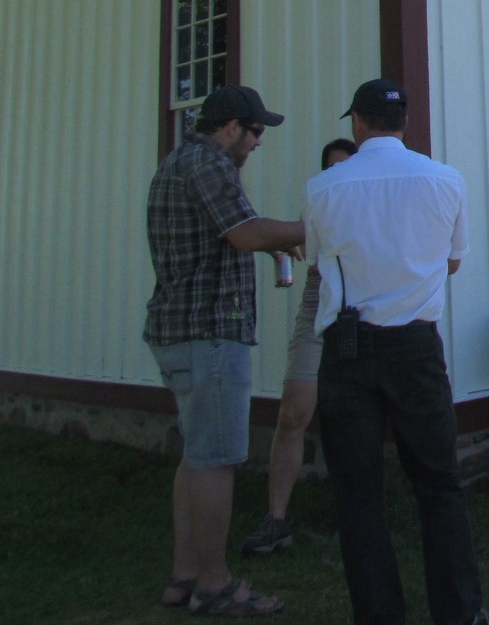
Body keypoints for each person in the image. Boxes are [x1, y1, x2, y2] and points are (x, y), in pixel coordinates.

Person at [303, 78, 489, 625]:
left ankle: (379, 615)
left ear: (357, 124)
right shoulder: (445, 180)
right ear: (404, 122)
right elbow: (454, 261)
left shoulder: (324, 186)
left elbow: (318, 260)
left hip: (347, 350)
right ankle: (459, 614)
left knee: (358, 494)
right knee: (439, 484)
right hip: (414, 345)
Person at [144, 84, 305, 617]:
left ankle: (184, 576)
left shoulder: (178, 162)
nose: (259, 142)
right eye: (256, 131)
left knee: (196, 456)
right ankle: (214, 585)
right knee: (216, 461)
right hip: (209, 333)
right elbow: (244, 233)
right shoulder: (209, 164)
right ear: (231, 126)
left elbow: (237, 236)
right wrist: (318, 228)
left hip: (181, 330)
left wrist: (273, 240)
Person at [241, 137, 357, 558]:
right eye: (331, 168)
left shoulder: (370, 201)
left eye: (345, 167)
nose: (336, 175)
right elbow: (304, 246)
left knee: (355, 416)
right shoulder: (317, 197)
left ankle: (356, 517)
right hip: (318, 303)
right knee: (294, 411)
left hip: (361, 312)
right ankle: (275, 519)